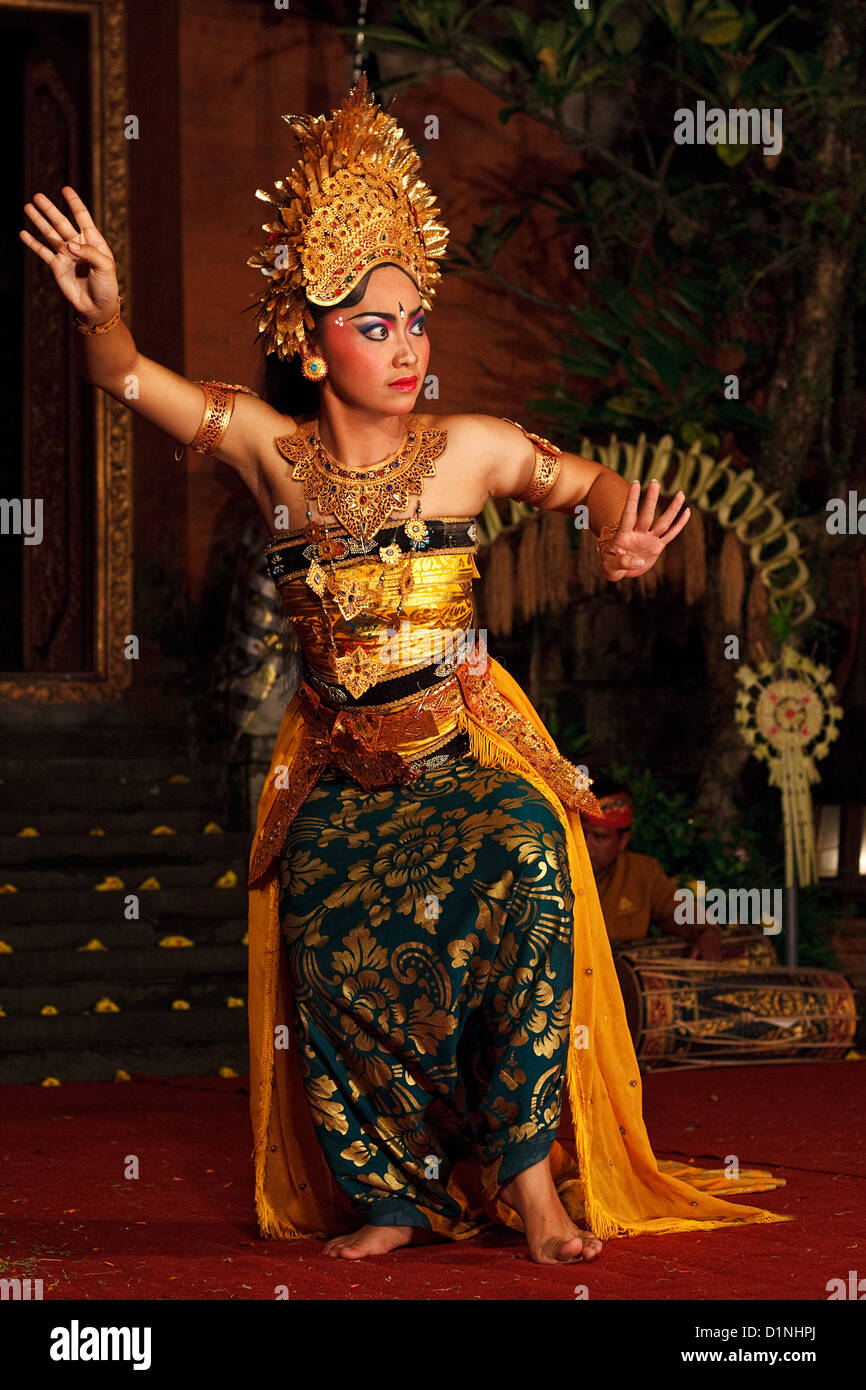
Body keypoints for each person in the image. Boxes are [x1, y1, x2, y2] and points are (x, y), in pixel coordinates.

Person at [21, 76, 789, 1265]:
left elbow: (581, 482)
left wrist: (616, 528)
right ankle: (394, 1194)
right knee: (328, 943)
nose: (402, 347)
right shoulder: (270, 454)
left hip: (458, 750)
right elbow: (127, 383)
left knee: (530, 869)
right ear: (309, 331)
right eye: (373, 325)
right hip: (337, 770)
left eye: (414, 321)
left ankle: (531, 1183)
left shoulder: (468, 450)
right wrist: (100, 314)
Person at [580, 779, 725, 961]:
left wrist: (707, 933)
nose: (586, 845)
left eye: (600, 837)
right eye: (581, 833)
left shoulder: (642, 872)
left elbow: (680, 912)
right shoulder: (551, 867)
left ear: (623, 840)